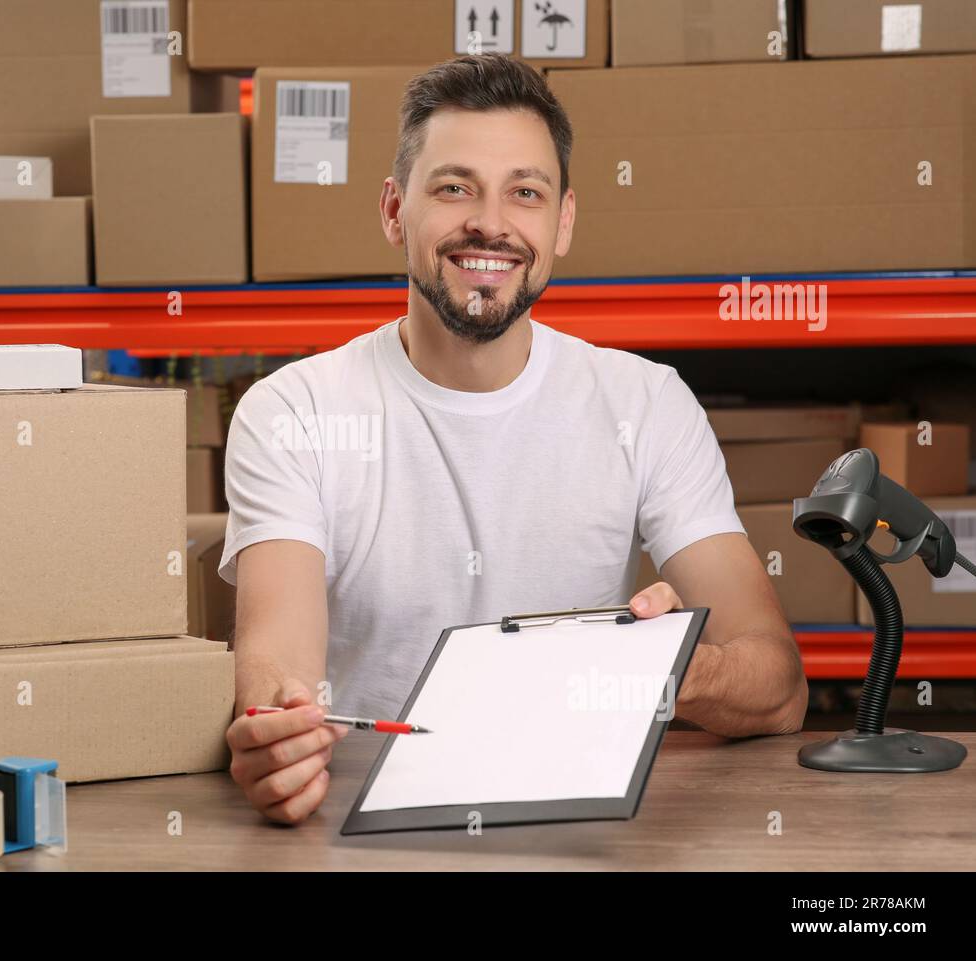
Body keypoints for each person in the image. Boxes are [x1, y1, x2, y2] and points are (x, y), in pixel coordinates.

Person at [220, 54, 807, 824]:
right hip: (354, 819)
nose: (490, 222)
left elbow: (780, 686)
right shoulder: (293, 411)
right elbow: (277, 672)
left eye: (524, 193)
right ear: (396, 211)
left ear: (562, 222)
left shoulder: (646, 403)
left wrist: (672, 671)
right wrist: (279, 737)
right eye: (455, 187)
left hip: (574, 824)